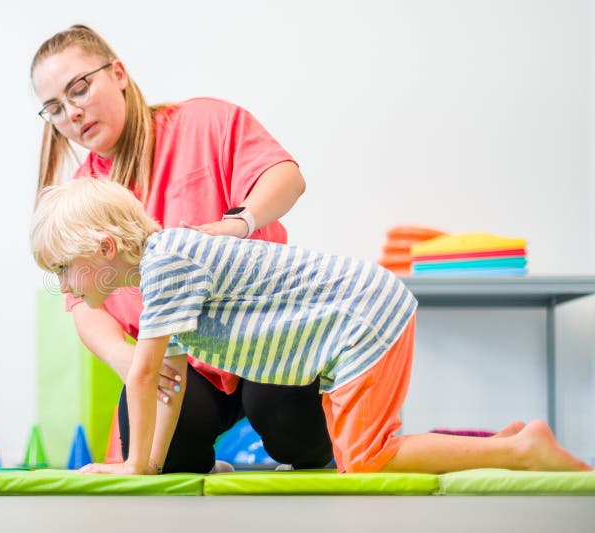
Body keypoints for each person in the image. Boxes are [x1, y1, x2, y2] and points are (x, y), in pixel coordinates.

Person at [30, 178, 593, 475]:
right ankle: (508, 442)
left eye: (63, 269)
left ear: (104, 248)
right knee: (365, 456)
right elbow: (169, 383)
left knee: (367, 462)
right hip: (353, 318)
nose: (64, 285)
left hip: (362, 316)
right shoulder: (162, 273)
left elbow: (145, 373)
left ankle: (521, 450)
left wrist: (130, 469)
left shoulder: (166, 263)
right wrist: (148, 465)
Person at [30, 25, 331, 473]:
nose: (72, 113)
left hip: (265, 334)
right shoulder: (80, 198)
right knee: (155, 450)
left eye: (79, 89)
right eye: (54, 108)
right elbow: (82, 303)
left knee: (292, 431)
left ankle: (321, 434)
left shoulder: (206, 122)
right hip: (184, 358)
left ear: (118, 73)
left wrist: (236, 224)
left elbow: (287, 179)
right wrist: (123, 356)